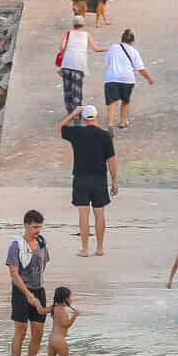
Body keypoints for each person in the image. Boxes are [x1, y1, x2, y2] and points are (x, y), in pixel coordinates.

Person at [59, 103, 118, 256]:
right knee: (100, 214)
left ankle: (85, 249)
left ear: (83, 119)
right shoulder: (105, 135)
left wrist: (74, 113)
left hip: (81, 179)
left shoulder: (77, 133)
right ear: (97, 117)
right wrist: (115, 181)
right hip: (99, 179)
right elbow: (111, 160)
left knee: (83, 215)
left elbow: (60, 128)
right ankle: (99, 248)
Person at [7, 210, 52, 356]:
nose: (37, 230)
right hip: (21, 292)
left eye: (39, 227)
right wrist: (29, 295)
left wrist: (36, 291)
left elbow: (43, 266)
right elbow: (14, 274)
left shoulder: (42, 243)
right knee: (21, 330)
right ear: (26, 226)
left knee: (38, 332)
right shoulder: (16, 246)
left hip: (39, 290)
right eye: (34, 227)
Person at [102, 28, 154, 128]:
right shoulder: (134, 51)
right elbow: (140, 68)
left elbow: (107, 61)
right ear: (132, 41)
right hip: (127, 79)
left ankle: (110, 123)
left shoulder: (113, 47)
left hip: (112, 78)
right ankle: (123, 122)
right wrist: (149, 79)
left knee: (112, 102)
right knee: (125, 101)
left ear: (121, 39)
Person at [56, 16, 106, 114]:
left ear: (73, 24)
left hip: (66, 64)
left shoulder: (68, 33)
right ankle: (77, 114)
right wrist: (108, 48)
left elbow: (62, 48)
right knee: (77, 91)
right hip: (79, 65)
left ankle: (69, 112)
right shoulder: (86, 35)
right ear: (83, 24)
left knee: (67, 91)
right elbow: (96, 48)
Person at [45, 285, 79, 356]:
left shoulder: (54, 307)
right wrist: (74, 316)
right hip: (60, 340)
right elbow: (65, 324)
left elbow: (42, 311)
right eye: (70, 297)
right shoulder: (62, 310)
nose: (71, 299)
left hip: (51, 339)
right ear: (66, 299)